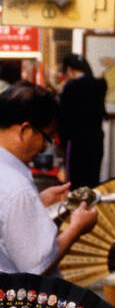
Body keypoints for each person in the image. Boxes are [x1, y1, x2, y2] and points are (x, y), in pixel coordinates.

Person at [0, 81, 98, 274]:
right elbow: (37, 267)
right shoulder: (18, 188)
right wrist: (76, 228)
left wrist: (38, 201)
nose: (45, 147)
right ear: (25, 130)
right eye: (48, 137)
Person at [56, 53, 107, 188]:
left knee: (75, 182)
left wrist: (62, 142)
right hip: (96, 140)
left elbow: (63, 117)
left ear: (69, 70)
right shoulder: (100, 84)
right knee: (92, 180)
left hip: (76, 142)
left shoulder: (70, 87)